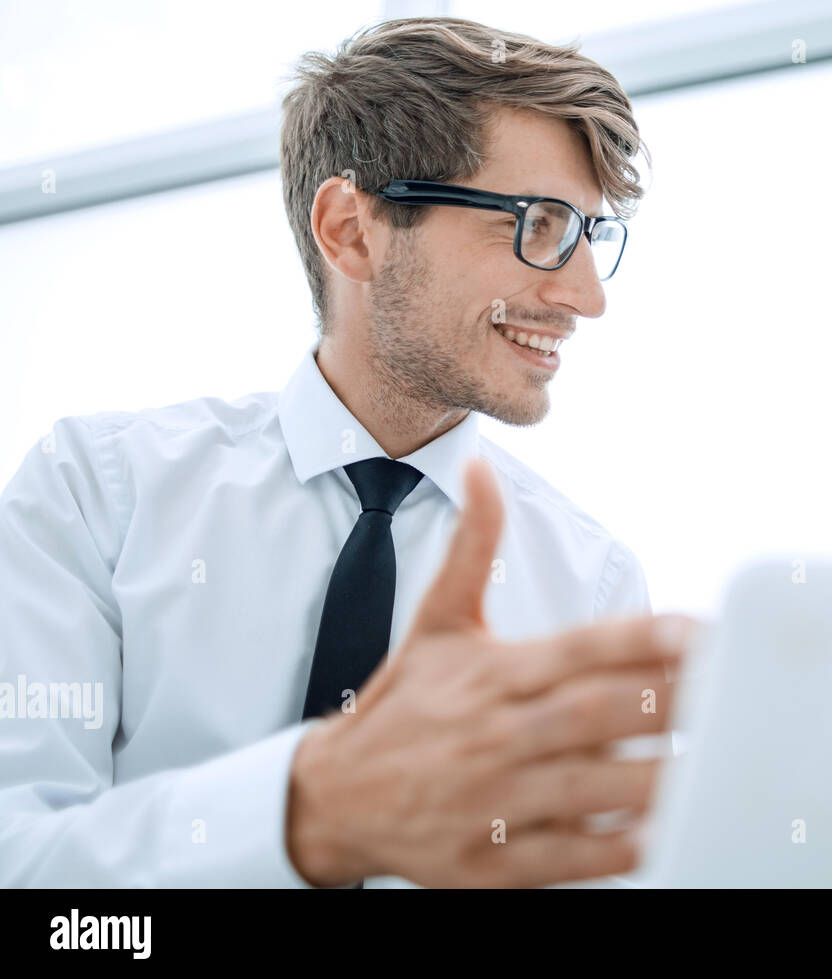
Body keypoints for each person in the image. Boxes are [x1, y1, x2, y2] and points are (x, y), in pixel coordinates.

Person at [0, 17, 693, 888]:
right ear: (352, 232)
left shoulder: (591, 587)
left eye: (592, 234)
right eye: (540, 224)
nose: (586, 296)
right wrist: (303, 816)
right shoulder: (96, 497)